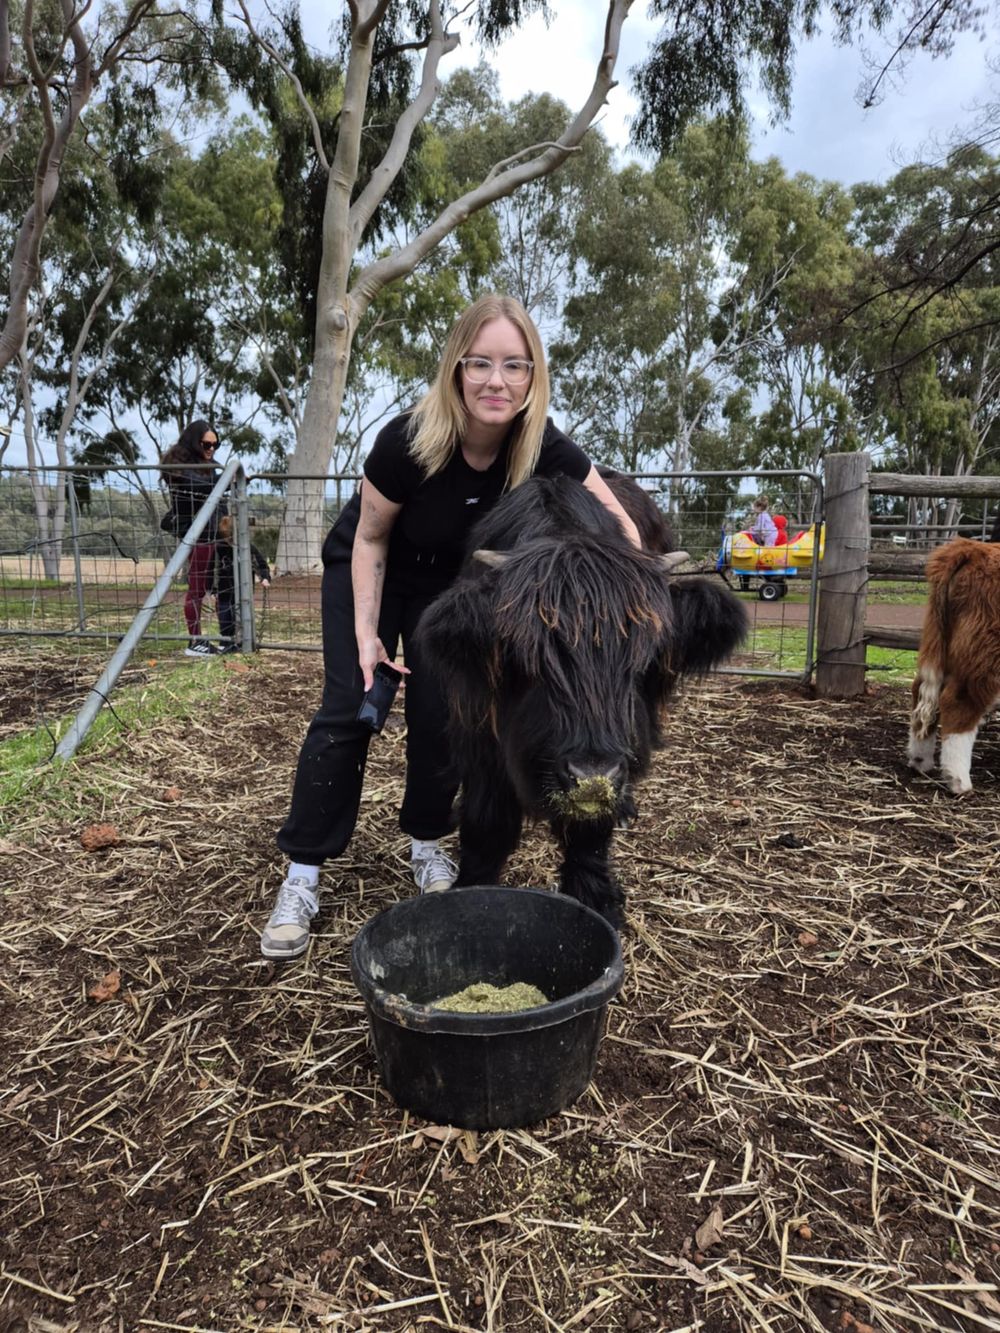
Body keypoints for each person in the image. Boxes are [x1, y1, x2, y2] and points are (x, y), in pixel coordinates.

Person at [261, 293, 643, 961]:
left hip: (459, 585)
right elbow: (371, 538)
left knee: (447, 713)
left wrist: (626, 600)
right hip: (375, 567)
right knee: (352, 706)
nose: (498, 381)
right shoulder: (408, 441)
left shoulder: (541, 443)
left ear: (533, 376)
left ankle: (427, 838)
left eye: (515, 366)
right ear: (456, 369)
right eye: (481, 363)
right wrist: (367, 637)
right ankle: (302, 874)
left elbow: (623, 532)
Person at [161, 421, 226, 657]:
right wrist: (223, 480)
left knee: (219, 587)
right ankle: (195, 641)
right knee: (197, 589)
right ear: (193, 441)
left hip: (214, 534)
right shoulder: (179, 464)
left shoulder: (206, 466)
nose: (211, 448)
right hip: (197, 535)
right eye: (206, 444)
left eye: (215, 444)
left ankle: (224, 637)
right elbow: (195, 486)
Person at [210, 515, 272, 652]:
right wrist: (213, 590)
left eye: (231, 538)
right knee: (225, 619)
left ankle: (244, 644)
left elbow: (260, 564)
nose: (229, 541)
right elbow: (212, 569)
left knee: (244, 618)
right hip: (224, 591)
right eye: (227, 538)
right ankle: (226, 643)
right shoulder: (219, 548)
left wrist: (264, 577)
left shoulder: (248, 547)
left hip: (245, 591)